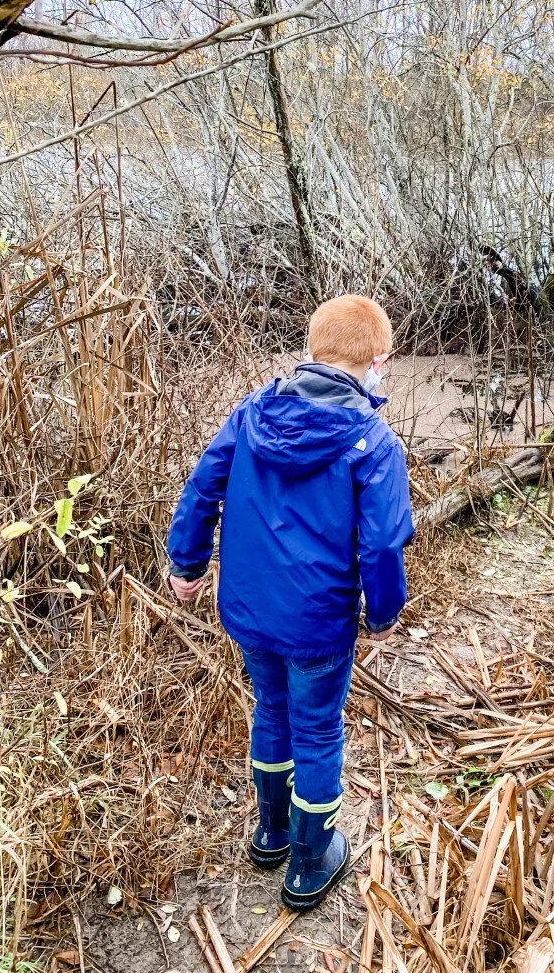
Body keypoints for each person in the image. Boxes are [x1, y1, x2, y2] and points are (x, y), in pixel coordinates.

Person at [166, 295, 413, 911]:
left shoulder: (252, 412)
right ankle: (309, 860)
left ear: (311, 350)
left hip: (248, 611)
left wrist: (187, 564)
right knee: (318, 727)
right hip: (318, 624)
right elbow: (382, 544)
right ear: (378, 360)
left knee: (271, 711)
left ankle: (271, 831)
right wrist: (381, 613)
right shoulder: (373, 442)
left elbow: (202, 487)